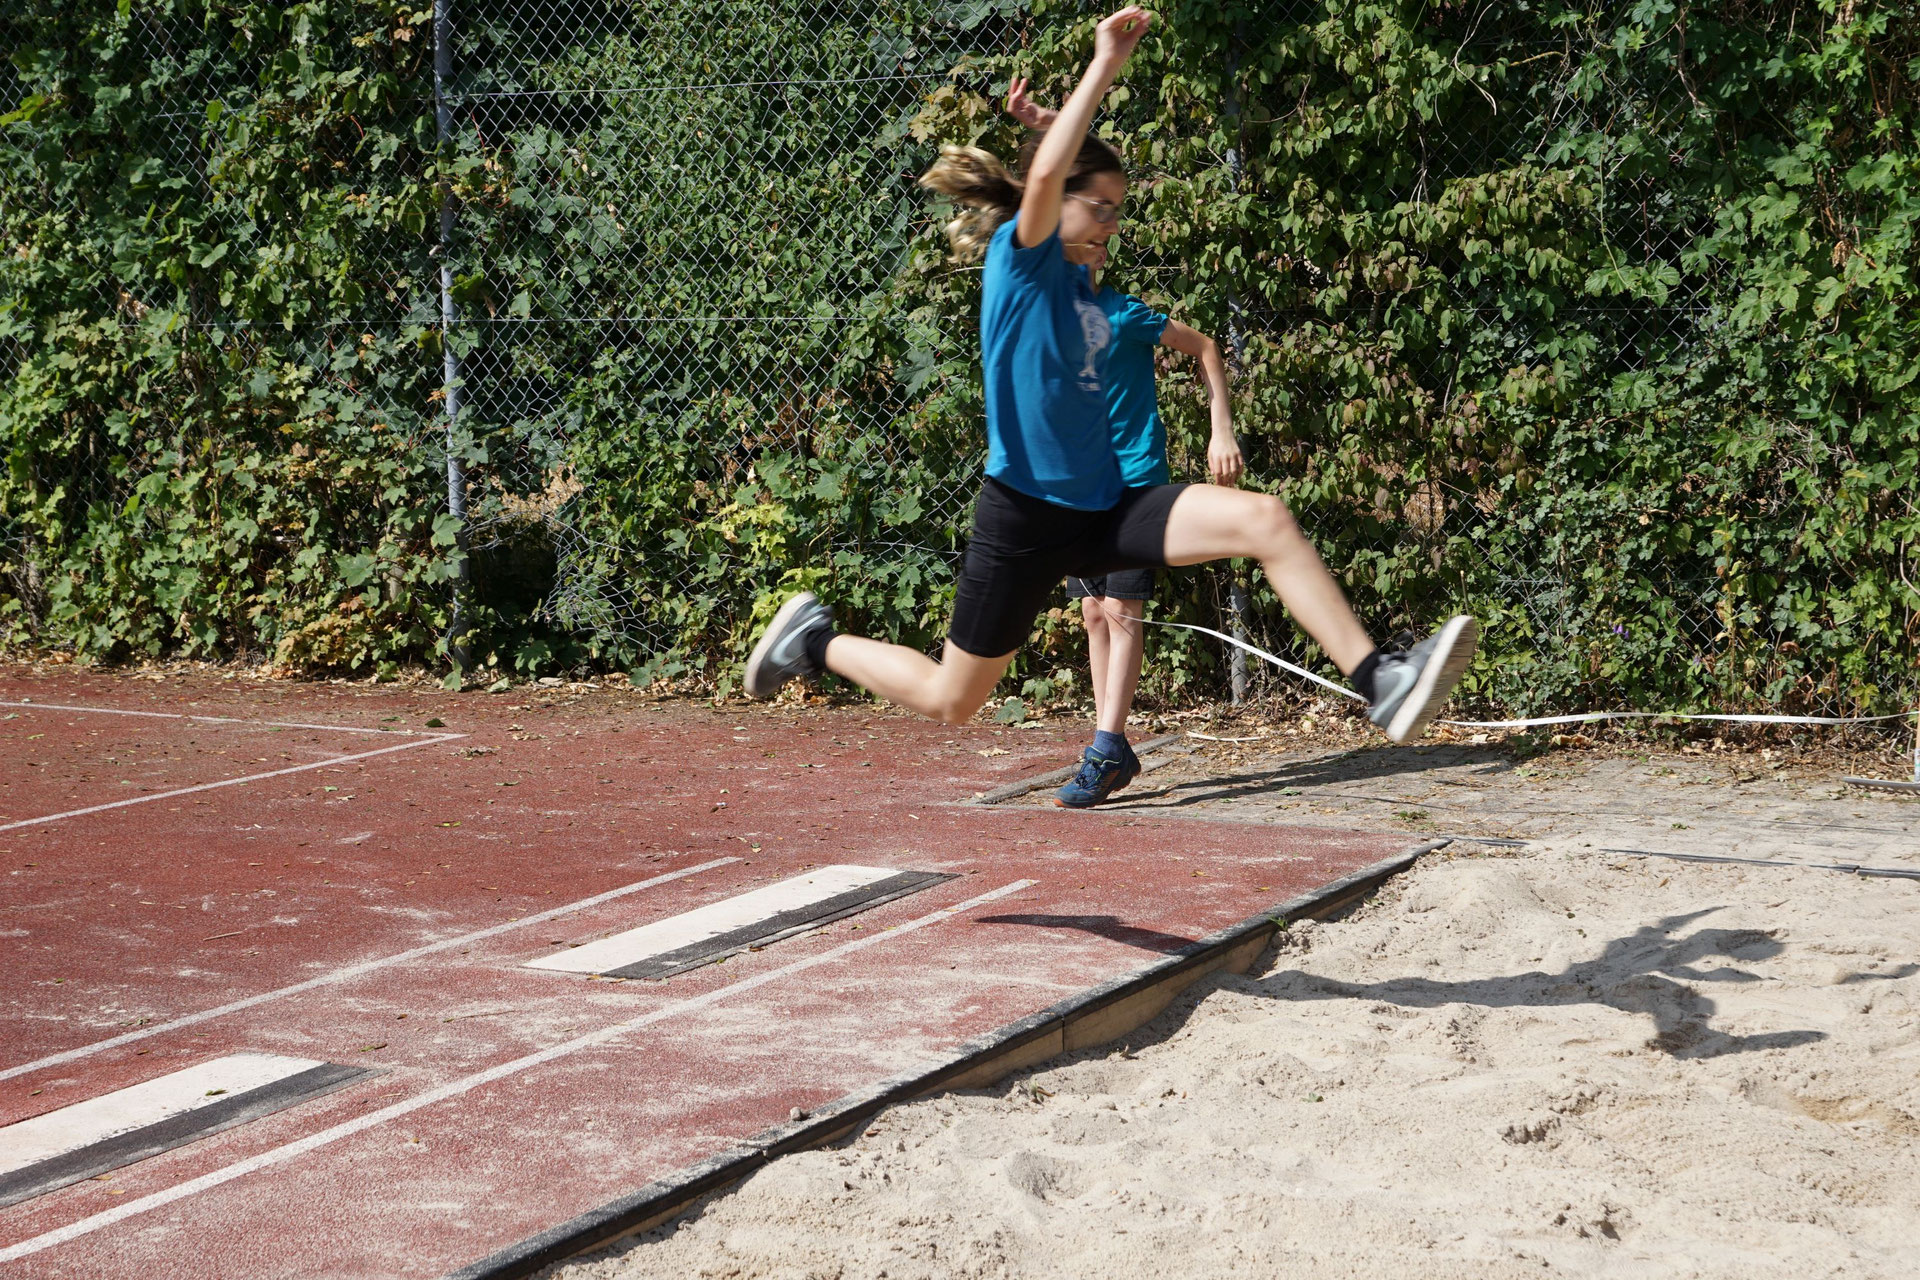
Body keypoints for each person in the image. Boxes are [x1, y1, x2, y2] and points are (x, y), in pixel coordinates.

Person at [744, 6, 1477, 748]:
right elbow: (1056, 174)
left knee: (1266, 521)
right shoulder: (1019, 261)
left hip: (1103, 509)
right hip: (1025, 519)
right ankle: (812, 642)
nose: (1112, 226)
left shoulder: (1082, 284)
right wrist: (1102, 68)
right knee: (951, 699)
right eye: (1103, 210)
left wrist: (1056, 128)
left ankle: (1381, 681)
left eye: (1118, 213)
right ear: (1053, 198)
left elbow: (1070, 168)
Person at [1004, 76, 1244, 808]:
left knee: (1121, 611)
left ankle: (1108, 745)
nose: (1093, 234)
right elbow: (1045, 201)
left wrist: (1219, 428)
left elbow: (1205, 346)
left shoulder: (1128, 312)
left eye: (1102, 226)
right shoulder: (1047, 304)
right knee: (1089, 610)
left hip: (1136, 478)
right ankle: (1109, 742)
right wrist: (1047, 128)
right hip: (1082, 485)